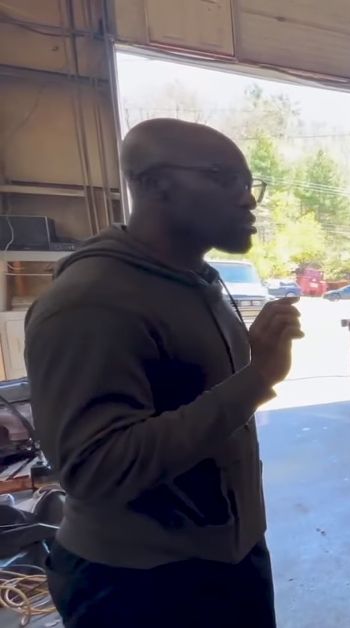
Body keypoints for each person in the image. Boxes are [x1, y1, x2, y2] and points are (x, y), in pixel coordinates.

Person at [24, 118, 301, 627]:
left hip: (227, 560)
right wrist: (256, 378)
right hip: (140, 586)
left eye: (250, 183)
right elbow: (96, 468)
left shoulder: (199, 280)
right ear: (154, 184)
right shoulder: (91, 301)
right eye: (225, 178)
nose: (248, 199)